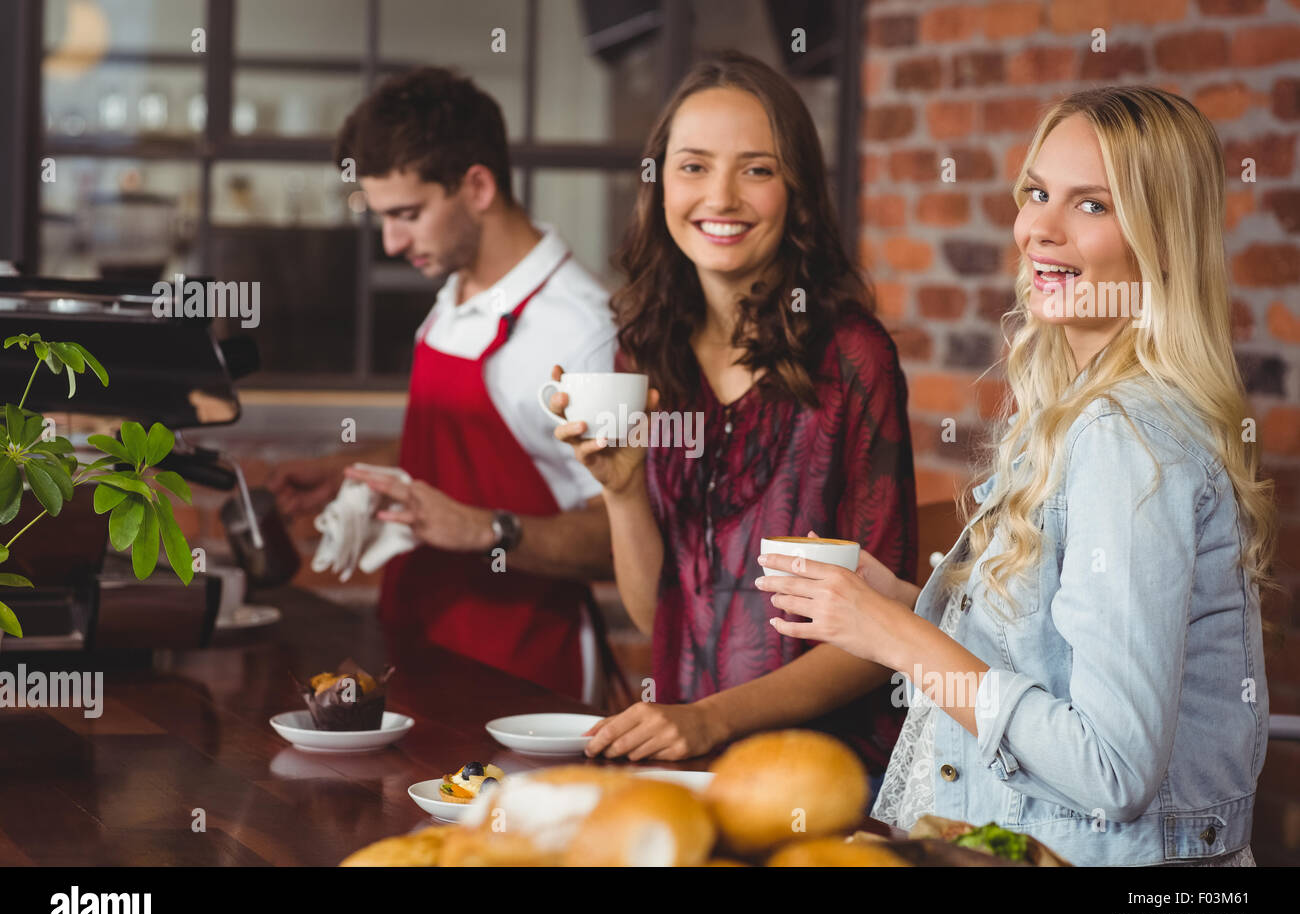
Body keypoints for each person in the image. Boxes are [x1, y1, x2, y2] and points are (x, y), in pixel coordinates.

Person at [756, 86, 1278, 866]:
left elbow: (1113, 768)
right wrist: (900, 602)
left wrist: (896, 638)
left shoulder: (1123, 436)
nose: (1041, 228)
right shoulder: (1082, 407)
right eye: (1036, 193)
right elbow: (1053, 654)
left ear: (1164, 240)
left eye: (1093, 205)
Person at [550, 51, 918, 785]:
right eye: (692, 167)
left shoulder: (852, 355)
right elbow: (664, 619)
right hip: (682, 751)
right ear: (658, 188)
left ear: (798, 192)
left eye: (756, 169)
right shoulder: (644, 352)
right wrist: (623, 493)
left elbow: (886, 635)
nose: (720, 197)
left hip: (823, 768)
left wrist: (711, 719)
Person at [270, 67, 617, 701]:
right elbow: (464, 451)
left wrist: (490, 531)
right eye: (380, 217)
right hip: (416, 646)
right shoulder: (455, 293)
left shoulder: (580, 329)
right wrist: (346, 470)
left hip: (526, 674)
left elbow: (624, 536)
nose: (391, 241)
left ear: (478, 186)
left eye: (407, 214)